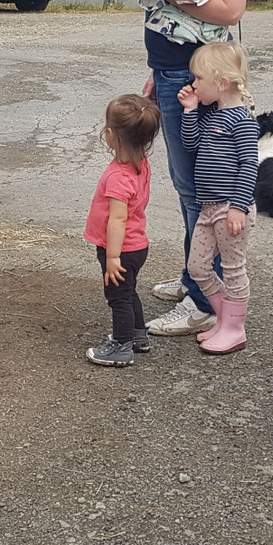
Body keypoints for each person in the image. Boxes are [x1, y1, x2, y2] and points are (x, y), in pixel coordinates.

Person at [136, 0, 251, 339]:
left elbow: (230, 7)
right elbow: (189, 24)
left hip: (192, 79)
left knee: (200, 192)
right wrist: (157, 70)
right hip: (178, 72)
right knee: (189, 190)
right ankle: (195, 277)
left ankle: (206, 301)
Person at [177, 41, 258, 355]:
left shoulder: (243, 121)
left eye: (198, 79)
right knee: (198, 267)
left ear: (222, 83)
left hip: (229, 209)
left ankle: (235, 329)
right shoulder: (213, 116)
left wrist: (238, 206)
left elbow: (250, 165)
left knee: (234, 267)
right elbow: (191, 143)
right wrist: (190, 111)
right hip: (209, 207)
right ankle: (224, 320)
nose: (194, 84)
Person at [82, 94, 162, 367]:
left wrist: (112, 257)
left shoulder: (119, 176)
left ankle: (121, 346)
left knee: (117, 298)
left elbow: (117, 219)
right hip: (138, 245)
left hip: (120, 249)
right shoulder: (141, 165)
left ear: (110, 135)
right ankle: (138, 336)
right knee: (129, 292)